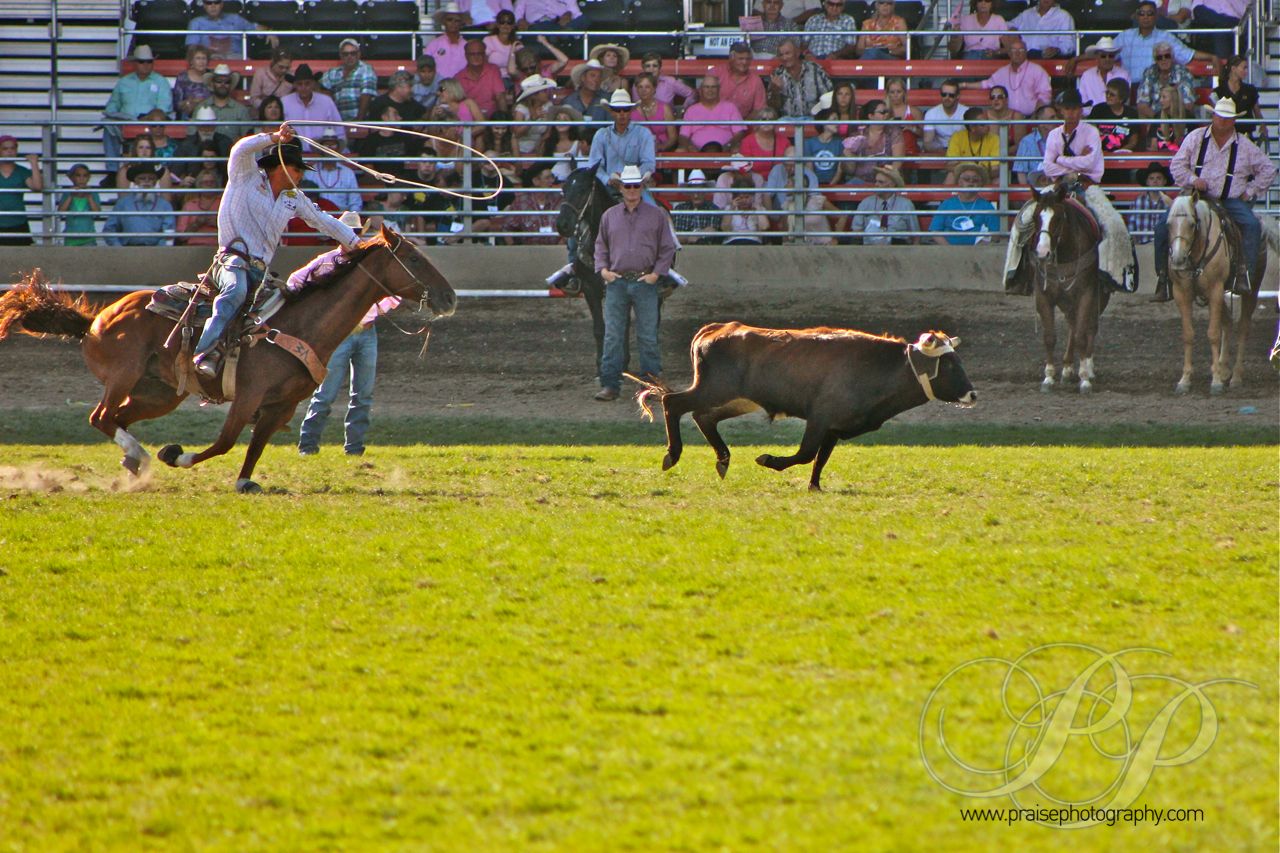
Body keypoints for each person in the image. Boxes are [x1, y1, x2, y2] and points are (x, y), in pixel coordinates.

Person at [192, 124, 361, 377]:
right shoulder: (245, 175)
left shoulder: (293, 197)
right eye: (297, 169)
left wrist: (358, 245)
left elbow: (323, 220)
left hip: (260, 273)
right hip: (231, 260)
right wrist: (273, 137)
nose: (301, 175)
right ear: (280, 165)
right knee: (235, 291)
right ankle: (204, 352)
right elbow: (240, 149)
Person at [1009, 88, 1136, 293]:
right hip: (1058, 185)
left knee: (1114, 224)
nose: (1071, 113)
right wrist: (1071, 165)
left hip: (1087, 184)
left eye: (1075, 109)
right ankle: (1018, 274)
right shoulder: (1054, 135)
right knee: (1024, 219)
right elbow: (1048, 167)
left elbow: (1090, 161)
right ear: (1061, 111)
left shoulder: (1091, 132)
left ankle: (1117, 274)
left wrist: (1061, 160)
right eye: (1067, 109)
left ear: (1080, 111)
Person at [294, 212, 399, 457]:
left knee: (362, 394)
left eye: (354, 232)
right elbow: (296, 281)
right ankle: (309, 445)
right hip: (341, 335)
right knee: (327, 393)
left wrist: (377, 310)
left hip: (364, 331)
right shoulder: (328, 262)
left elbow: (395, 294)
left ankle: (352, 448)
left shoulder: (367, 263)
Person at [1153, 96, 1276, 300]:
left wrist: (1251, 191)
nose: (1223, 121)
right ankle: (1163, 277)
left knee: (1252, 225)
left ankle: (1244, 275)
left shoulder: (1244, 145)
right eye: (1220, 117)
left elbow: (1268, 170)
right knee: (1161, 226)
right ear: (1213, 117)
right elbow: (1176, 166)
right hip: (1194, 197)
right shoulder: (1196, 138)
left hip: (1229, 199)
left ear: (1234, 121)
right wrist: (1193, 179)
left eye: (1228, 118)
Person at [592, 165, 677, 402]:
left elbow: (667, 247)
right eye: (627, 186)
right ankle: (610, 384)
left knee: (647, 335)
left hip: (644, 281)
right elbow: (600, 246)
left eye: (635, 185)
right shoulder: (609, 216)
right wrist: (604, 271)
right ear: (621, 188)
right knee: (613, 335)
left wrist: (656, 274)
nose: (631, 190)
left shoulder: (656, 215)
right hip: (617, 281)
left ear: (641, 187)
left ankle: (649, 384)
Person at [102, 45, 173, 169]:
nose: (146, 64)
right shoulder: (123, 81)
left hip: (150, 122)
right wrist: (113, 115)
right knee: (109, 127)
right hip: (125, 121)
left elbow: (164, 107)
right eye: (142, 61)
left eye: (149, 61)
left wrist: (147, 118)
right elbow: (112, 105)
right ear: (135, 63)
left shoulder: (161, 81)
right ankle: (112, 170)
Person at [1113, 1, 1213, 82]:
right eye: (1142, 14)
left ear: (1156, 16)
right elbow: (1106, 52)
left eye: (1150, 14)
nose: (1145, 17)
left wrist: (1211, 56)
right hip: (1129, 90)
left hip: (1154, 90)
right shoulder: (1124, 36)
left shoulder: (1165, 36)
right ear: (1137, 16)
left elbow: (1188, 53)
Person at [586, 89, 657, 200]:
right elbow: (594, 166)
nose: (622, 114)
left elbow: (649, 163)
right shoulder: (601, 135)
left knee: (652, 212)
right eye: (618, 110)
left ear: (630, 111)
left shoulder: (643, 134)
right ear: (612, 112)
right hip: (607, 189)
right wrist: (608, 179)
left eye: (625, 110)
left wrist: (631, 177)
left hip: (635, 187)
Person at [960, 38, 1051, 119]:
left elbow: (1045, 97)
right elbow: (986, 84)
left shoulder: (1037, 70)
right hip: (1008, 118)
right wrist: (964, 84)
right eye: (1014, 50)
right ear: (1009, 53)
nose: (1017, 53)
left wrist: (1035, 116)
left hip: (1032, 117)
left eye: (1021, 50)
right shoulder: (1002, 72)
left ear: (1026, 52)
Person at [103, 164, 175, 246]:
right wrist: (119, 248)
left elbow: (169, 232)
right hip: (127, 251)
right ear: (135, 181)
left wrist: (158, 252)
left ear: (156, 182)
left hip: (156, 252)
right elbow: (109, 229)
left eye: (151, 178)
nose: (146, 181)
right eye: (142, 178)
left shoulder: (165, 205)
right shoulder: (123, 203)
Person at [930, 162, 999, 245]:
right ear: (959, 182)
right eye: (966, 179)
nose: (971, 182)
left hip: (978, 253)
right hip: (948, 253)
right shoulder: (947, 204)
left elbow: (995, 234)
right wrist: (949, 249)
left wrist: (982, 246)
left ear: (981, 184)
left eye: (975, 180)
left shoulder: (987, 207)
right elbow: (935, 231)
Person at [1089, 79, 1142, 183]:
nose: (1108, 96)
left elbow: (1133, 141)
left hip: (1122, 156)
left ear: (1121, 99)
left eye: (1112, 94)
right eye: (1107, 93)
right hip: (1099, 155)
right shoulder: (1098, 110)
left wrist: (1118, 153)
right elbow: (1090, 135)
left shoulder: (1131, 113)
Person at [185, 0, 277, 59]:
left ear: (222, 4)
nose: (213, 6)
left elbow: (257, 28)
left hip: (236, 58)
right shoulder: (196, 22)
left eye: (216, 2)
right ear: (204, 5)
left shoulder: (235, 19)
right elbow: (192, 48)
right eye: (209, 3)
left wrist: (269, 31)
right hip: (209, 59)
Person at [851, 165, 918, 244]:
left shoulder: (905, 205)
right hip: (870, 248)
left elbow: (915, 235)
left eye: (881, 182)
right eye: (875, 181)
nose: (876, 184)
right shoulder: (865, 203)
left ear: (891, 185)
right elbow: (856, 231)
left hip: (898, 247)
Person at [843, 100, 906, 185]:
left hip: (886, 179)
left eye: (887, 112)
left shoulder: (894, 132)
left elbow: (897, 162)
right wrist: (848, 156)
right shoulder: (858, 135)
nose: (886, 115)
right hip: (860, 180)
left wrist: (888, 177)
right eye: (882, 112)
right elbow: (850, 171)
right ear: (871, 116)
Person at [768, 38, 832, 118]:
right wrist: (775, 91)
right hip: (787, 121)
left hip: (814, 120)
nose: (784, 58)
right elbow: (772, 109)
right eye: (781, 55)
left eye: (787, 53)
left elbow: (829, 98)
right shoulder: (776, 74)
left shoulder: (815, 70)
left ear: (797, 53)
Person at [282, 65, 343, 149]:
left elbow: (339, 130)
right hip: (294, 153)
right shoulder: (284, 102)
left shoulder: (326, 101)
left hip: (323, 154)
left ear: (313, 84)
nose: (303, 87)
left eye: (307, 83)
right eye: (300, 84)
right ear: (294, 85)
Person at [680, 77, 747, 153]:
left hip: (726, 150)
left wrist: (728, 146)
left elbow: (739, 133)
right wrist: (691, 147)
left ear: (719, 89)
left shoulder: (730, 107)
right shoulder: (691, 110)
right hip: (697, 151)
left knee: (737, 150)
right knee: (680, 151)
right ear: (701, 90)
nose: (710, 90)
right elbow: (683, 136)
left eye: (713, 87)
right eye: (707, 87)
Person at [1135, 41, 1198, 117]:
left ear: (1172, 57)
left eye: (1167, 56)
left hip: (1178, 118)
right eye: (1159, 57)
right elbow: (1142, 103)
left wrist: (1171, 121)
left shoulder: (1183, 73)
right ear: (1155, 60)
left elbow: (1188, 104)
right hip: (1154, 117)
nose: (1163, 60)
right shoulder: (1149, 73)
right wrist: (1157, 121)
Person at [320, 39, 377, 123]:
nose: (349, 57)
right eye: (345, 54)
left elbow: (366, 96)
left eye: (353, 53)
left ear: (358, 54)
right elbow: (318, 87)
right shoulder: (333, 72)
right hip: (337, 121)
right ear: (341, 56)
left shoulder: (366, 69)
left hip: (361, 120)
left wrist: (359, 121)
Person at [0, 136, 43, 245]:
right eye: (5, 149)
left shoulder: (22, 171)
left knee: (21, 257)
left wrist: (34, 163)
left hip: (18, 221)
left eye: (12, 148)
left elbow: (37, 187)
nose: (9, 151)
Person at [505, 162, 561, 244]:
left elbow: (569, 227)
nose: (552, 181)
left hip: (557, 250)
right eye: (547, 178)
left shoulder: (559, 199)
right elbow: (507, 228)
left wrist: (562, 243)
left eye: (552, 177)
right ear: (535, 181)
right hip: (529, 251)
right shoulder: (521, 202)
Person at [193, 63, 252, 141]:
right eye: (219, 81)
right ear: (212, 83)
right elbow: (192, 136)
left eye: (227, 82)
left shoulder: (241, 110)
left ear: (230, 85)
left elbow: (248, 139)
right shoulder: (201, 107)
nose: (223, 84)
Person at [173, 105, 232, 180]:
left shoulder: (225, 143)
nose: (206, 129)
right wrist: (184, 180)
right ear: (197, 126)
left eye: (209, 126)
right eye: (202, 126)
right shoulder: (186, 145)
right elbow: (176, 172)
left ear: (215, 125)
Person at [1212, 55, 1263, 140]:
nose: (1246, 71)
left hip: (1246, 135)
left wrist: (1263, 126)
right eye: (1244, 68)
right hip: (1225, 136)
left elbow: (1257, 111)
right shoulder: (1219, 91)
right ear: (1233, 69)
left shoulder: (1250, 90)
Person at [455, 40, 509, 119]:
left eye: (479, 53)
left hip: (492, 121)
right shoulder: (458, 77)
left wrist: (504, 121)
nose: (476, 57)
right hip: (470, 121)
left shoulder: (493, 70)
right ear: (466, 56)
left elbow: (500, 97)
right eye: (472, 54)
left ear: (484, 55)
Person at [310, 130, 362, 212]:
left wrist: (351, 217)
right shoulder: (310, 172)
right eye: (326, 145)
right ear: (320, 148)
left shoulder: (348, 173)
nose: (330, 148)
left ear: (338, 149)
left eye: (333, 145)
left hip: (341, 217)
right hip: (316, 216)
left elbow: (355, 203)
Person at [713, 42, 767, 121]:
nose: (744, 62)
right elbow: (705, 102)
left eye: (747, 59)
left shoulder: (756, 80)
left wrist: (741, 126)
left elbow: (759, 109)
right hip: (716, 122)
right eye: (741, 59)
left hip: (744, 125)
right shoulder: (716, 73)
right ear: (731, 58)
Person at [1073, 36, 1129, 110]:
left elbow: (1125, 101)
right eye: (1103, 56)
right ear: (1097, 57)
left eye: (1111, 56)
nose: (1107, 59)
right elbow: (1083, 102)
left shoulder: (1123, 74)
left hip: (1116, 118)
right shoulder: (1087, 75)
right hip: (1091, 118)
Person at [1126, 161, 1173, 247]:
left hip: (1164, 248)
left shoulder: (1170, 204)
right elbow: (1131, 228)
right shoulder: (1137, 202)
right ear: (1147, 182)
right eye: (1151, 178)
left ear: (1164, 181)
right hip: (1142, 246)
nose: (1155, 181)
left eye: (1159, 178)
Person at [944, 107, 999, 181]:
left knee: (998, 179)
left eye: (987, 122)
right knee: (951, 175)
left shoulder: (995, 139)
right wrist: (969, 174)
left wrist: (978, 174)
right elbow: (951, 165)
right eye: (983, 124)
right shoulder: (957, 137)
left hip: (985, 176)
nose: (988, 126)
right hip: (963, 176)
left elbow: (995, 169)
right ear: (972, 127)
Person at [1007, 0, 1075, 58]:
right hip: (1022, 56)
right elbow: (1007, 25)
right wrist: (1013, 33)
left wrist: (1057, 50)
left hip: (1046, 57)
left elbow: (1069, 46)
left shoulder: (1064, 16)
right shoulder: (1027, 13)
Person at [630, 73, 678, 153]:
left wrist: (662, 147)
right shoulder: (631, 110)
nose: (643, 90)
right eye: (640, 87)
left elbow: (673, 137)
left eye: (647, 87)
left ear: (654, 88)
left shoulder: (665, 108)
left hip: (661, 151)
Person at [671, 170, 721, 244]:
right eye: (693, 191)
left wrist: (695, 236)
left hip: (708, 250)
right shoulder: (679, 209)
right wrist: (690, 238)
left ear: (705, 191)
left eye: (699, 191)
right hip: (684, 250)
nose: (696, 195)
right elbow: (676, 236)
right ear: (689, 192)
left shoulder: (713, 209)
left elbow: (712, 230)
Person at [175, 167, 223, 246]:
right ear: (199, 185)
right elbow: (181, 237)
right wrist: (196, 224)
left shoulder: (224, 204)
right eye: (205, 182)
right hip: (193, 247)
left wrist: (217, 224)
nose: (209, 185)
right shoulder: (189, 205)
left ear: (216, 184)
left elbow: (234, 232)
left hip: (219, 248)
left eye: (211, 182)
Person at [1013, 105, 1057, 186]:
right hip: (1035, 188)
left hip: (1057, 187)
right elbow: (1021, 173)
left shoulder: (1062, 139)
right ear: (1041, 123)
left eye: (1056, 117)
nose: (1057, 121)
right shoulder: (1026, 142)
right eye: (1052, 118)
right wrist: (1027, 193)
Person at [58, 163, 100, 246]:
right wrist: (71, 195)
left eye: (85, 176)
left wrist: (89, 196)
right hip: (70, 238)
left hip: (89, 238)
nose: (81, 179)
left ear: (89, 178)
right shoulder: (67, 193)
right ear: (72, 178)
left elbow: (97, 213)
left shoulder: (93, 193)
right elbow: (60, 212)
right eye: (78, 175)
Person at [424, 4, 469, 80]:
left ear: (461, 23)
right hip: (439, 88)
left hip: (460, 88)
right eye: (449, 20)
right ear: (444, 22)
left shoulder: (467, 46)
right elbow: (425, 65)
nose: (453, 23)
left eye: (457, 21)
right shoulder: (434, 44)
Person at [721, 173, 769, 245]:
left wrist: (758, 209)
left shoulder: (759, 209)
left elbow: (764, 227)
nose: (744, 200)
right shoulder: (729, 208)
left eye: (747, 197)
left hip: (753, 242)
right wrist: (731, 209)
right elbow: (724, 228)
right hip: (733, 242)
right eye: (740, 198)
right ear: (735, 197)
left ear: (752, 196)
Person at [922, 79, 965, 154]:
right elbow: (927, 143)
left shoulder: (966, 112)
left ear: (958, 96)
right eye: (944, 94)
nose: (947, 98)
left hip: (962, 152)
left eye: (951, 95)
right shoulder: (931, 113)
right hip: (939, 153)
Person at [173, 44, 213, 119]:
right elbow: (177, 103)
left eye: (204, 58)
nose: (201, 62)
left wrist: (198, 102)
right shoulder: (183, 77)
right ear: (191, 61)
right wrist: (188, 103)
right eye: (198, 58)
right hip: (187, 114)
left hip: (209, 114)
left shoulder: (212, 77)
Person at [1147, 84, 1191, 152]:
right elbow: (1154, 145)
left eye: (1164, 97)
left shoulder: (1188, 117)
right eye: (1160, 97)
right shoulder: (1157, 117)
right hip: (1162, 158)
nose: (1160, 100)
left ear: (1173, 99)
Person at [805, 109, 845, 182]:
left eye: (838, 119)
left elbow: (839, 171)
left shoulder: (840, 143)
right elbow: (809, 169)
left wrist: (830, 187)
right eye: (834, 119)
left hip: (834, 185)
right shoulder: (809, 143)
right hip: (814, 185)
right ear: (823, 122)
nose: (838, 123)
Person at [484, 9, 520, 77]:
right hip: (492, 79)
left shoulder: (517, 44)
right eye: (502, 22)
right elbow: (482, 63)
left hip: (511, 80)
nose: (505, 25)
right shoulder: (489, 40)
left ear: (513, 25)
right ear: (497, 24)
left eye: (509, 22)